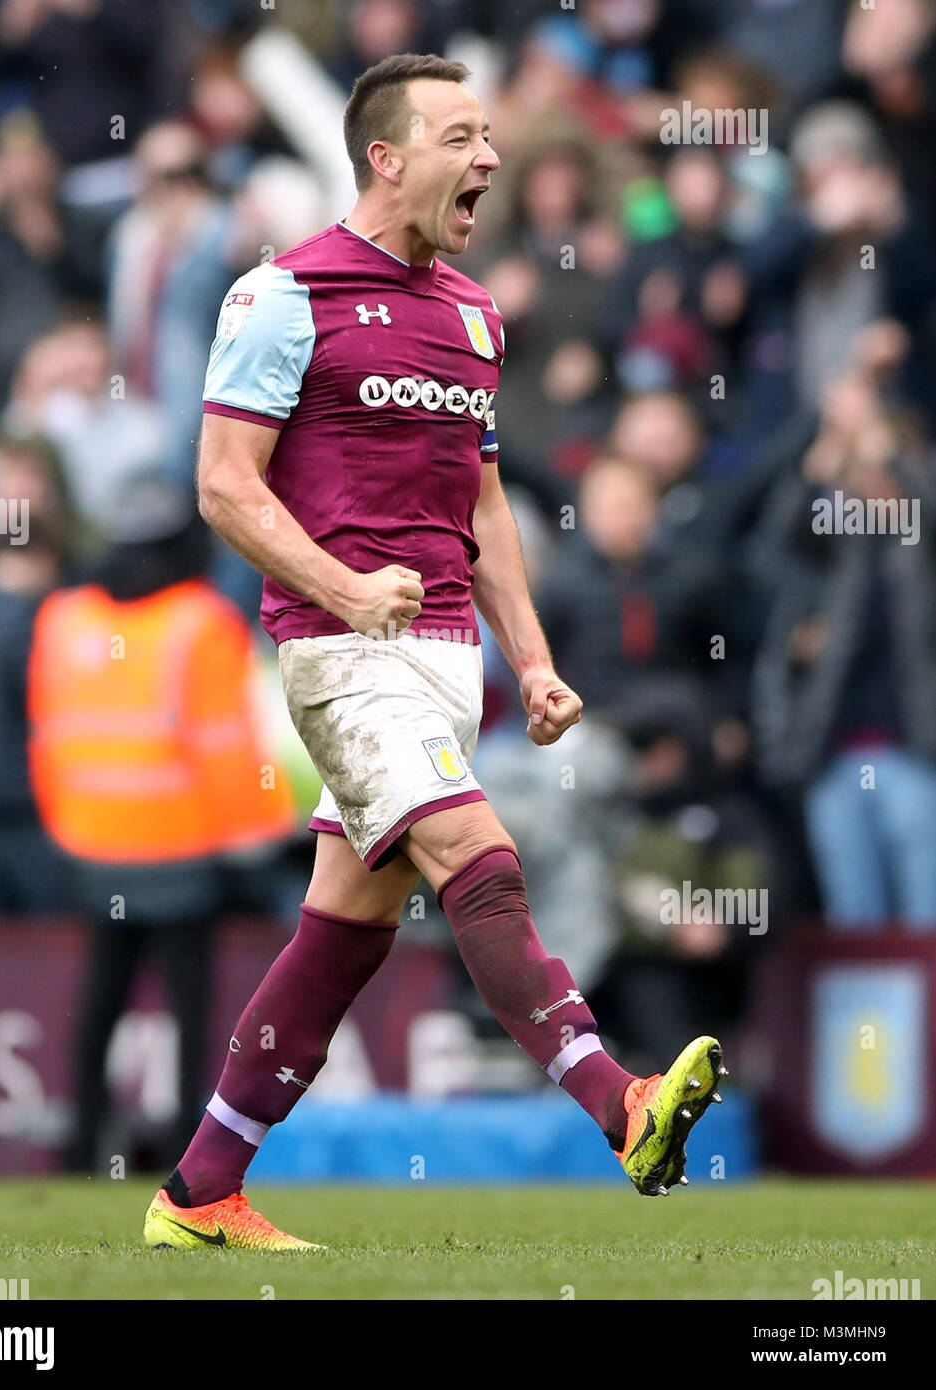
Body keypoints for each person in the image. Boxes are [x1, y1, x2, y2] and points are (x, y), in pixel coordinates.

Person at [143, 53, 726, 1253]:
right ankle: (619, 1103)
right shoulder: (280, 294)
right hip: (336, 649)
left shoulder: (472, 310)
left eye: (493, 137)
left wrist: (535, 655)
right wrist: (347, 588)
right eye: (462, 137)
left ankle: (198, 1190)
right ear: (385, 156)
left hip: (451, 663)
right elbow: (221, 486)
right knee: (480, 849)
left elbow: (488, 505)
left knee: (341, 934)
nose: (492, 160)